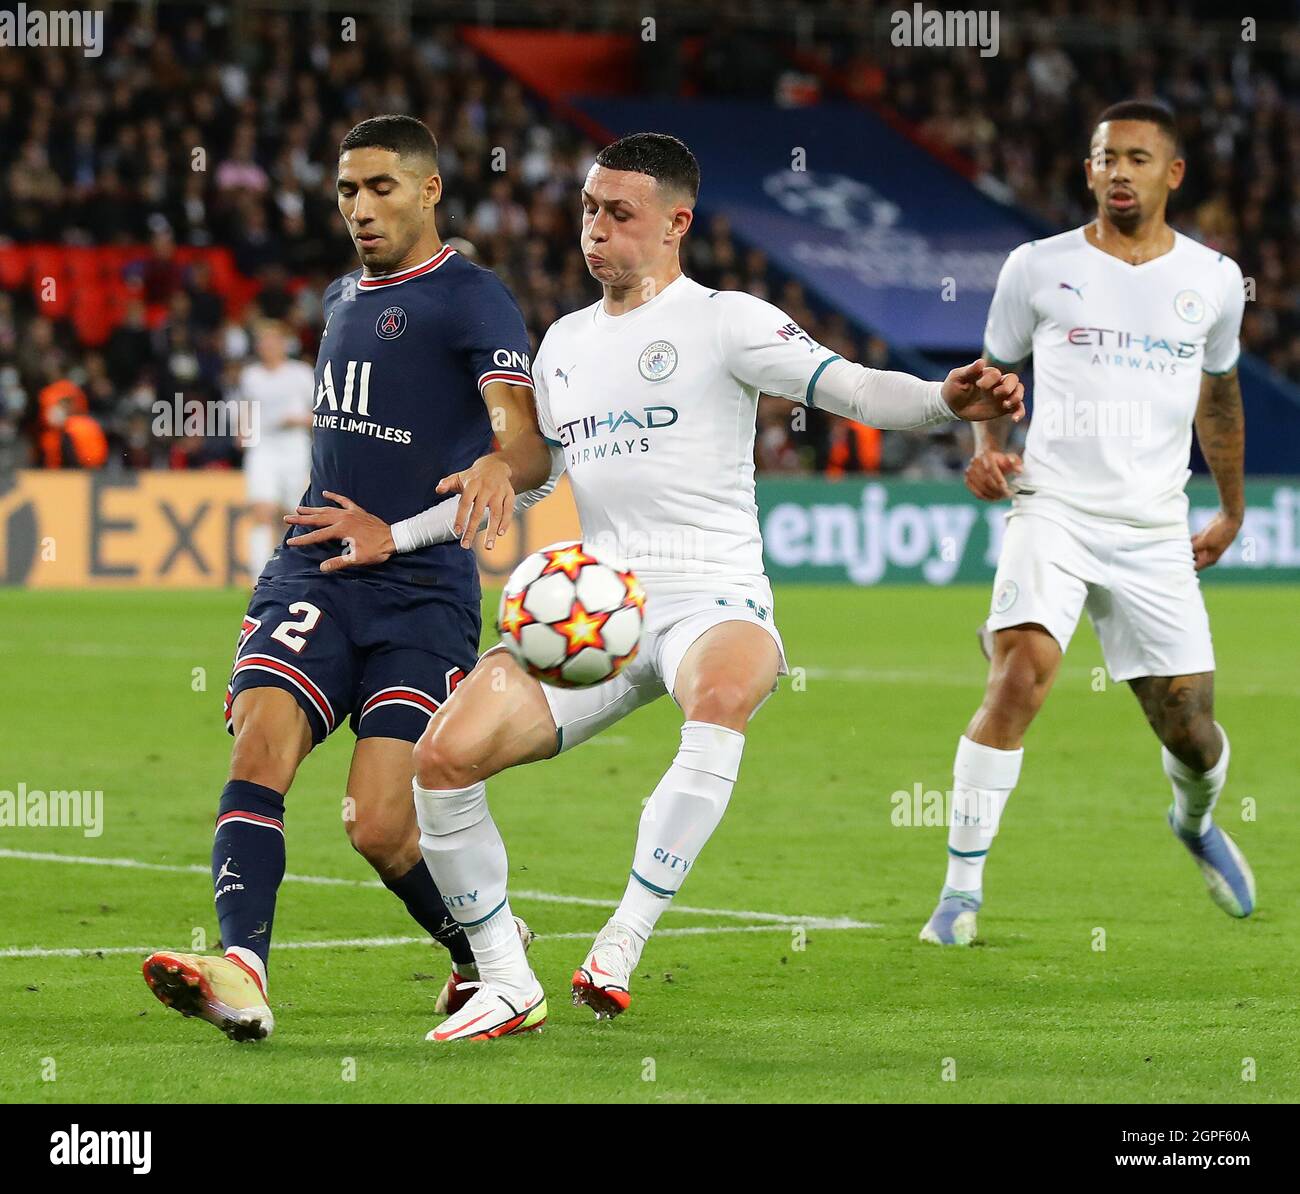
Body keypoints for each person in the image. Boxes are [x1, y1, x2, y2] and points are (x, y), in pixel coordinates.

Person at [291, 132, 1024, 1040]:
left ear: (676, 223)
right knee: (442, 757)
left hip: (715, 596)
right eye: (589, 210)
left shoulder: (728, 321)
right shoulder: (562, 344)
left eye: (619, 214)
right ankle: (508, 978)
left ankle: (622, 942)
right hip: (596, 609)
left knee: (719, 696)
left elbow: (855, 391)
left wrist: (944, 402)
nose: (595, 230)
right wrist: (398, 533)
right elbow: (530, 480)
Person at [141, 114, 548, 1040]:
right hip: (313, 572)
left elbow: (523, 439)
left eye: (381, 188)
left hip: (422, 592)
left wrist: (497, 465)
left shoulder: (472, 298)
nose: (359, 208)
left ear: (430, 190)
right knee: (258, 747)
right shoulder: (338, 296)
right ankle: (241, 968)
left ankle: (484, 955)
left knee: (378, 825)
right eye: (346, 191)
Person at [919, 100, 1252, 947]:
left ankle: (1192, 818)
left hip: (1151, 526)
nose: (1119, 172)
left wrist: (1232, 507)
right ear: (1089, 170)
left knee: (1189, 723)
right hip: (1054, 504)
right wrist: (990, 448)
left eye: (1138, 158)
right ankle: (959, 894)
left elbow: (1219, 396)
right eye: (1106, 158)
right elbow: (991, 375)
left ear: (1171, 173)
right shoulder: (1037, 265)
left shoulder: (1212, 280)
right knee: (1020, 672)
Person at [239, 319, 315, 580]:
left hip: (294, 447)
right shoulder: (251, 376)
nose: (268, 346)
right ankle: (258, 578)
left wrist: (300, 419)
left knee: (294, 514)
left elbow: (322, 414)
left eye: (273, 340)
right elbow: (246, 409)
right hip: (263, 449)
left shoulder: (301, 373)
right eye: (264, 341)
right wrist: (244, 432)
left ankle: (293, 573)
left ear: (284, 343)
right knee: (262, 511)